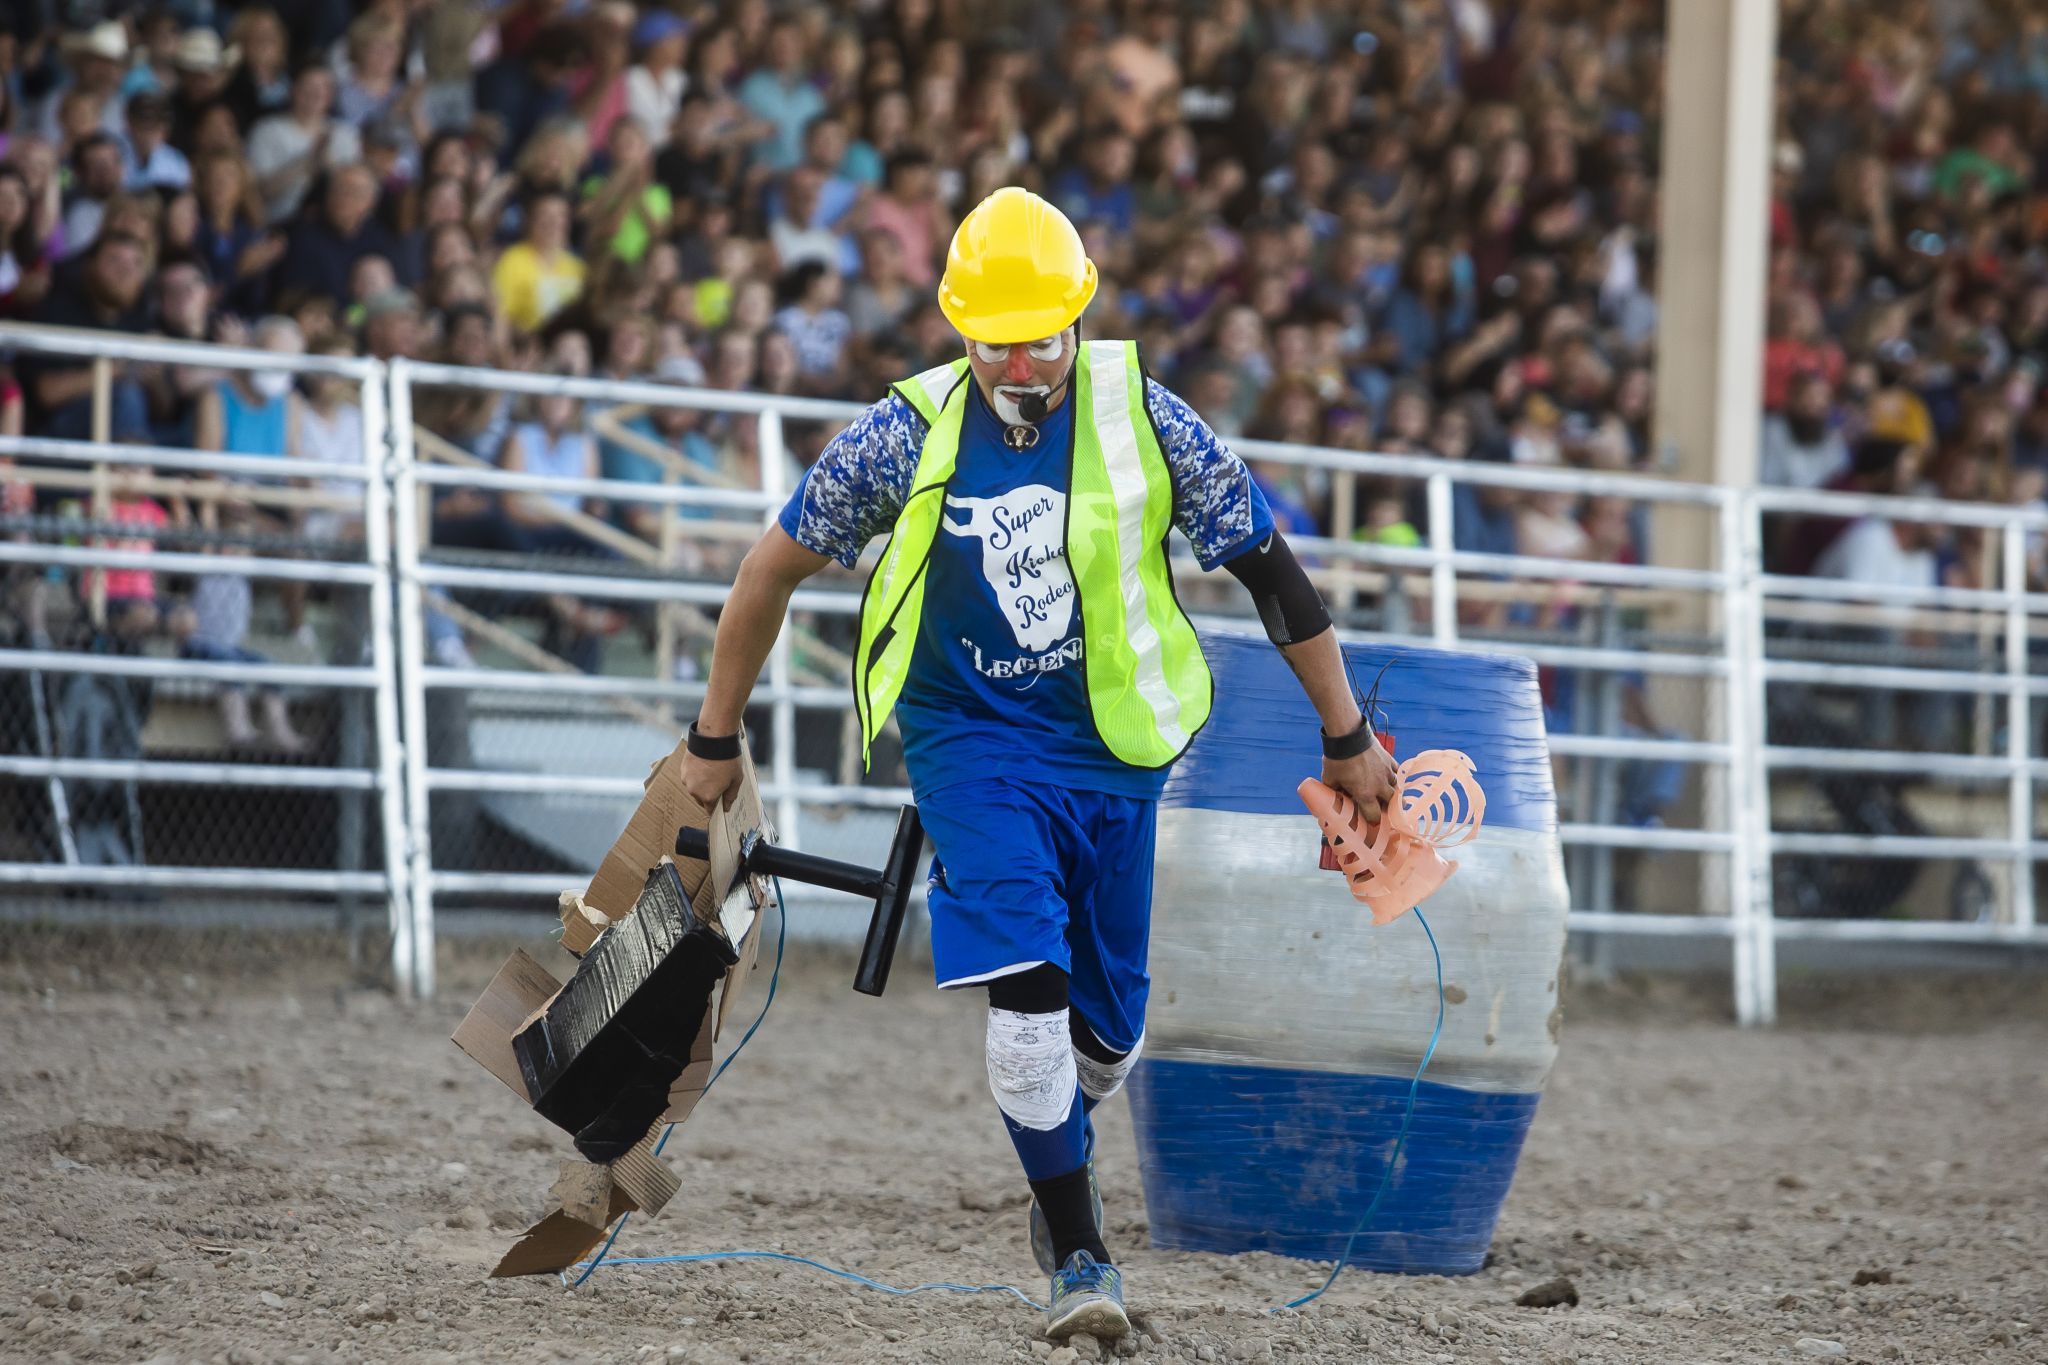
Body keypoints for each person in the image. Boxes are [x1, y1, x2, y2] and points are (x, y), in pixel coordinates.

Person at [678, 188, 1398, 1342]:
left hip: (1112, 749)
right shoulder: (901, 432)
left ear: (1077, 318)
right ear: (958, 327)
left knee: (1109, 1034)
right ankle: (1078, 1258)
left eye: (1041, 336)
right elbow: (768, 572)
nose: (1019, 360)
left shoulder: (1150, 419)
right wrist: (715, 735)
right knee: (1026, 984)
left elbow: (1271, 572)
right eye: (995, 338)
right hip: (969, 739)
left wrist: (1345, 732)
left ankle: (1066, 1149)